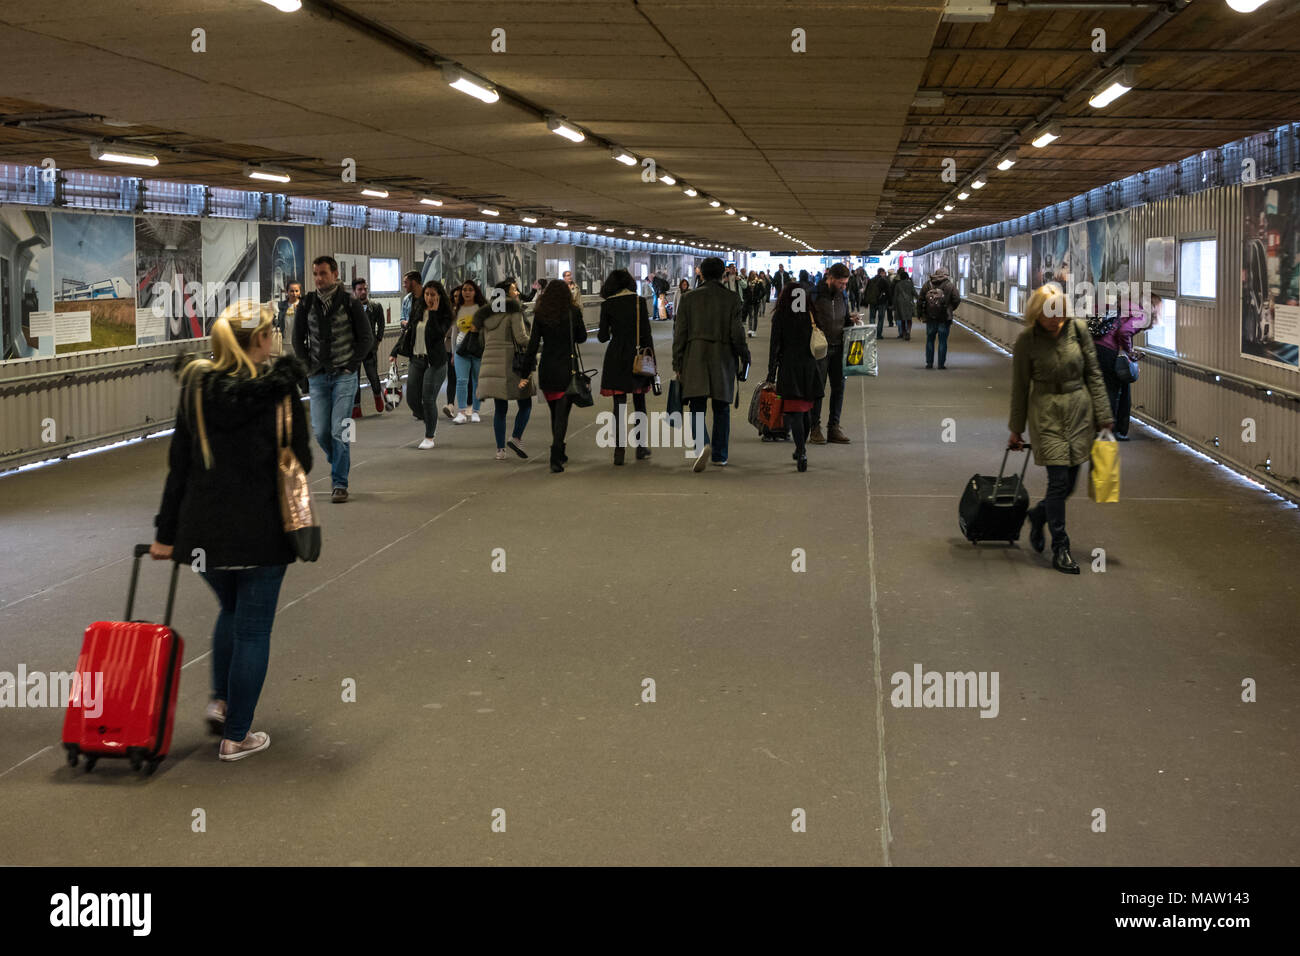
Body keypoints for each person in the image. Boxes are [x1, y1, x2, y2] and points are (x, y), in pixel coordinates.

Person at [152, 300, 311, 762]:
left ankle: (220, 703)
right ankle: (237, 736)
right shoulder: (281, 393)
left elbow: (178, 467)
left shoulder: (196, 390)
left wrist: (166, 533)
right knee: (253, 631)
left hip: (204, 535)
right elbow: (301, 461)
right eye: (270, 332)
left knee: (230, 609)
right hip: (263, 531)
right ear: (261, 340)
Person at [1008, 285, 1114, 575]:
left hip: (1080, 413)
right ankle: (1061, 547)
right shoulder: (1027, 341)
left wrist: (1104, 414)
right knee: (1057, 482)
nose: (1055, 319)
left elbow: (1093, 372)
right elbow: (1020, 388)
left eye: (1059, 313)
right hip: (1045, 414)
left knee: (1068, 485)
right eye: (1048, 314)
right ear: (1036, 313)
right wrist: (1016, 430)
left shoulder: (1078, 331)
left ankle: (1038, 515)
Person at [293, 255, 373, 504]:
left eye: (323, 273)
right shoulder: (306, 303)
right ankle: (340, 459)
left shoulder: (350, 302)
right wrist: (308, 367)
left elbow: (366, 338)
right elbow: (297, 340)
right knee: (320, 431)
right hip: (318, 375)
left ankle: (340, 483)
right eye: (315, 273)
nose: (318, 278)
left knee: (341, 430)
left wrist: (351, 365)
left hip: (344, 376)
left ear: (335, 274)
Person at [673, 256, 750, 471]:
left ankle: (701, 446)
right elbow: (737, 333)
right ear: (723, 274)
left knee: (696, 406)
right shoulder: (732, 299)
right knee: (721, 407)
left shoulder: (688, 298)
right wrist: (745, 356)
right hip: (723, 356)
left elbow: (679, 334)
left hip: (694, 356)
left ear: (702, 274)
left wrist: (677, 362)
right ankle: (720, 455)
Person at [521, 279, 587, 472]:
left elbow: (532, 344)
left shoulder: (541, 314)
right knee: (562, 414)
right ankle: (556, 452)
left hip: (548, 368)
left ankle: (560, 450)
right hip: (567, 368)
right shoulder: (573, 312)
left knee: (554, 412)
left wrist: (525, 371)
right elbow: (582, 337)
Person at [597, 269, 656, 465]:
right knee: (640, 403)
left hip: (615, 358)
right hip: (637, 356)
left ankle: (619, 450)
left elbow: (603, 337)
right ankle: (640, 447)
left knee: (618, 405)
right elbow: (646, 334)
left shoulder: (608, 304)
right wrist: (653, 362)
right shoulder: (639, 302)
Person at [766, 283, 824, 472]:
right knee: (806, 410)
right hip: (809, 368)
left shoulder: (781, 316)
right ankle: (802, 449)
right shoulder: (811, 315)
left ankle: (801, 451)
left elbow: (775, 345)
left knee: (794, 412)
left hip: (789, 368)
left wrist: (771, 372)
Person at [476, 280, 533, 459]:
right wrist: (537, 341)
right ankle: (516, 437)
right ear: (507, 294)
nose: (517, 293)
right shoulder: (513, 310)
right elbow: (521, 338)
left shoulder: (487, 313)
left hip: (490, 361)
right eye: (514, 290)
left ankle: (500, 450)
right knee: (525, 403)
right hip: (512, 363)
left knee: (500, 408)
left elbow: (482, 341)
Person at [1092, 294, 1160, 441]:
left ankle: (1095, 427)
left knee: (1097, 387)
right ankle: (1110, 430)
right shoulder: (1141, 315)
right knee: (1112, 390)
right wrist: (1128, 352)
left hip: (1093, 346)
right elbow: (1124, 331)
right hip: (1108, 350)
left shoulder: (1123, 304)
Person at [393, 280, 453, 449]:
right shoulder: (418, 310)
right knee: (412, 400)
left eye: (433, 295)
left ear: (439, 296)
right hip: (417, 359)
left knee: (428, 398)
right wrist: (394, 351)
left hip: (435, 362)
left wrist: (433, 312)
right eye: (427, 294)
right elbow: (408, 332)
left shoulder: (445, 314)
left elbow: (438, 334)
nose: (429, 298)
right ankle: (430, 419)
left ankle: (429, 436)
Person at [809, 263, 858, 445]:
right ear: (829, 278)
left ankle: (834, 427)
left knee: (839, 389)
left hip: (839, 347)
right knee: (818, 390)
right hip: (821, 348)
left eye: (845, 284)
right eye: (840, 283)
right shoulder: (814, 295)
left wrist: (851, 321)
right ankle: (815, 428)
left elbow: (844, 318)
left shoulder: (842, 295)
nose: (843, 287)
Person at [450, 279, 486, 423]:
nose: (467, 292)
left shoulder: (481, 308)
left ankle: (476, 411)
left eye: (470, 290)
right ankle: (462, 412)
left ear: (475, 292)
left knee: (477, 381)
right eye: (465, 290)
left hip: (478, 349)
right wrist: (453, 353)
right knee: (461, 380)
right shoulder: (456, 309)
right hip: (461, 349)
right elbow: (454, 332)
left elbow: (487, 330)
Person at [351, 277, 387, 413]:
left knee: (373, 376)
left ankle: (377, 396)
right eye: (360, 289)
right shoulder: (350, 308)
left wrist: (378, 340)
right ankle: (356, 408)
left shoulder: (375, 307)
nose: (363, 291)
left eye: (365, 289)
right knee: (354, 381)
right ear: (354, 291)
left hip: (370, 349)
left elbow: (381, 324)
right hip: (354, 350)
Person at [917, 265, 960, 369]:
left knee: (930, 340)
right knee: (942, 341)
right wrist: (950, 308)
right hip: (944, 318)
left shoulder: (927, 284)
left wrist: (920, 314)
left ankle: (929, 363)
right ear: (945, 275)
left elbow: (920, 300)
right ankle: (941, 364)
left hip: (930, 317)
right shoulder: (950, 285)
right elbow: (956, 299)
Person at [865, 268, 891, 339]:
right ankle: (879, 335)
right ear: (882, 273)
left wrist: (865, 302)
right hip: (881, 302)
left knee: (872, 318)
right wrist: (890, 302)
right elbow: (888, 292)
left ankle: (872, 334)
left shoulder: (871, 280)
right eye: (884, 273)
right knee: (880, 318)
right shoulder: (884, 281)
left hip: (873, 302)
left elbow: (867, 291)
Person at [892, 267, 916, 341]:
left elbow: (895, 295)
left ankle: (904, 333)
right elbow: (914, 292)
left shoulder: (898, 284)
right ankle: (908, 331)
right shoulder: (910, 284)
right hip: (909, 302)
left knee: (902, 319)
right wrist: (920, 299)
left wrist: (894, 305)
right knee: (909, 319)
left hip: (900, 304)